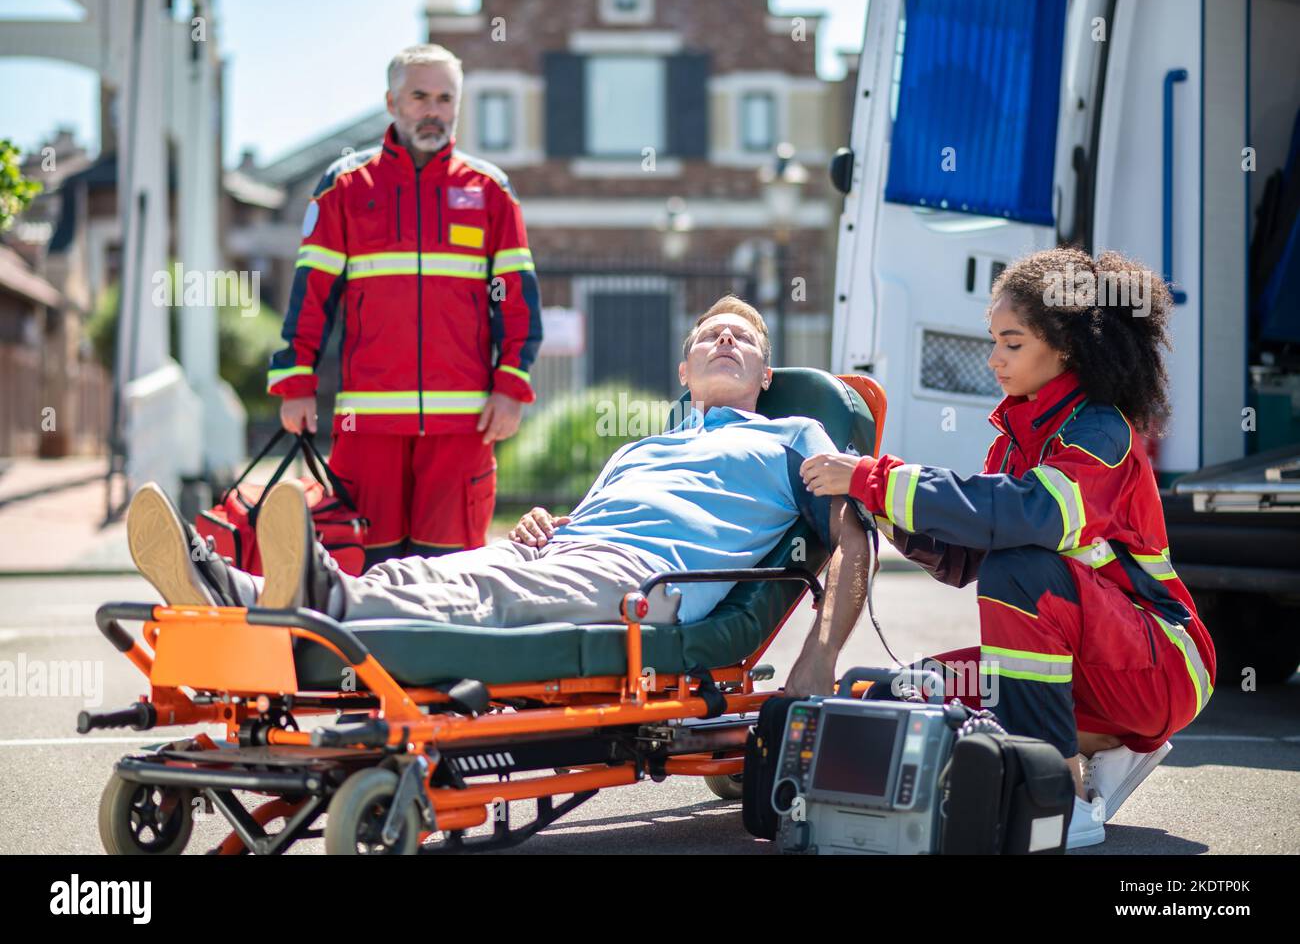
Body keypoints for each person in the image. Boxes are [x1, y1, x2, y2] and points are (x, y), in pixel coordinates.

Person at [131, 297, 872, 696]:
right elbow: (590, 522)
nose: (725, 344)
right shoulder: (642, 448)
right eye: (711, 336)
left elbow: (853, 538)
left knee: (486, 588)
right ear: (684, 369)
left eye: (743, 341)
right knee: (426, 572)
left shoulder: (796, 435)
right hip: (579, 555)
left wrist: (822, 653)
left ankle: (306, 594)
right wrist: (555, 521)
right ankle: (236, 585)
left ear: (766, 378)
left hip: (651, 582)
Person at [799, 247, 1216, 848]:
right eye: (993, 340)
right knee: (892, 695)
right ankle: (1090, 747)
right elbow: (966, 558)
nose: (993, 358)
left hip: (1162, 669)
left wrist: (873, 477)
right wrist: (881, 510)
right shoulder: (1017, 437)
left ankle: (1059, 800)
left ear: (1065, 347)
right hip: (1091, 671)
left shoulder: (1100, 430)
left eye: (1012, 343)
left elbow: (1029, 516)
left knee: (1022, 567)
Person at [266, 43, 542, 567]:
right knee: (363, 572)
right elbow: (312, 295)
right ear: (392, 101)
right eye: (420, 96)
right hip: (367, 428)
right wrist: (295, 382)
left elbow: (518, 302)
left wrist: (511, 386)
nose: (433, 110)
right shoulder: (344, 185)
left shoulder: (491, 191)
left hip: (462, 428)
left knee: (452, 575)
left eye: (445, 98)